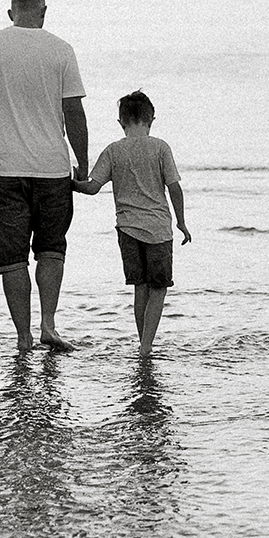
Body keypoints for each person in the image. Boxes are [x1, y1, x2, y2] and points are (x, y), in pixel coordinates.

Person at [0, 0, 88, 352]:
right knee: (51, 250)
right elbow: (74, 112)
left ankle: (23, 336)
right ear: (43, 12)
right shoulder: (61, 50)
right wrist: (83, 160)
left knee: (12, 258)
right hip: (53, 170)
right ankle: (48, 324)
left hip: (4, 171)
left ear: (10, 12)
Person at [72, 90, 191, 357]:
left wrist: (69, 184)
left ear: (121, 122)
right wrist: (182, 222)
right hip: (158, 229)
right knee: (159, 288)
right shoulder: (160, 147)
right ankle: (147, 345)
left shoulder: (114, 151)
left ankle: (143, 343)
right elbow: (174, 188)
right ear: (151, 119)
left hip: (126, 229)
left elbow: (91, 188)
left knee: (140, 287)